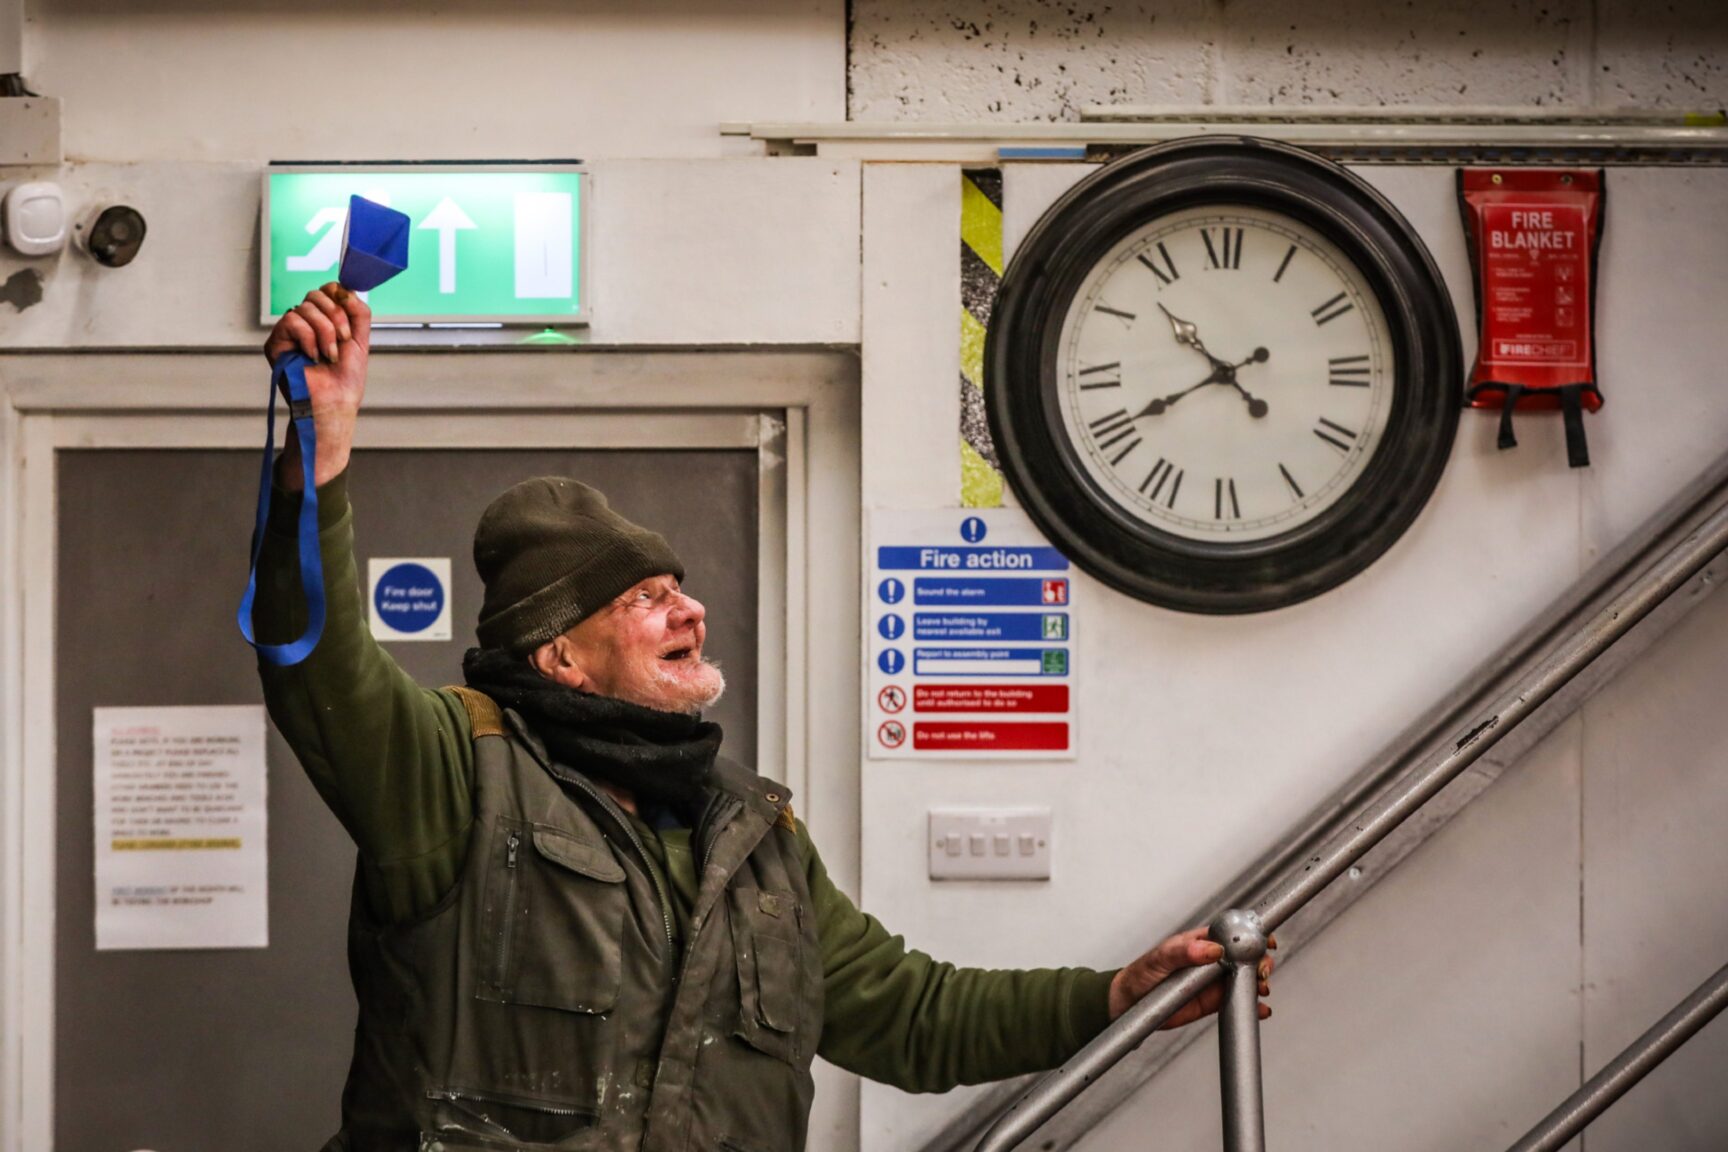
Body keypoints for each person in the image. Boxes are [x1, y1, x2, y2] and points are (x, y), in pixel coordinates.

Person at [252, 285, 1273, 1152]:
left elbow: (913, 1015)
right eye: (644, 597)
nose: (689, 609)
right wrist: (318, 460)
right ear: (559, 653)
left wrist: (1116, 996)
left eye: (679, 588)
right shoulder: (455, 772)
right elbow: (318, 661)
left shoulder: (753, 834)